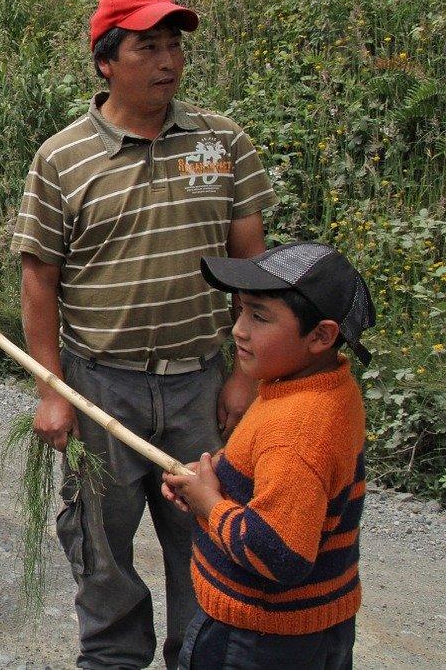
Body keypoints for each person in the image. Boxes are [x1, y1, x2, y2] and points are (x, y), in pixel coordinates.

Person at [12, 0, 277, 668]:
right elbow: (40, 279)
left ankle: (198, 657)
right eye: (148, 46)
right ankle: (113, 659)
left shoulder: (222, 143)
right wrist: (52, 389)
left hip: (200, 385)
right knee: (102, 549)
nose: (168, 61)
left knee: (210, 545)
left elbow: (254, 269)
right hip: (103, 389)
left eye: (175, 46)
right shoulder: (62, 158)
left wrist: (247, 377)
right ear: (106, 60)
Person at [163, 242, 374, 669]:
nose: (239, 329)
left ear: (321, 335)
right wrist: (215, 476)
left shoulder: (298, 428)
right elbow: (271, 473)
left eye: (259, 317)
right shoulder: (313, 386)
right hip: (301, 630)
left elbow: (281, 553)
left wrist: (210, 505)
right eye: (240, 311)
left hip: (258, 641)